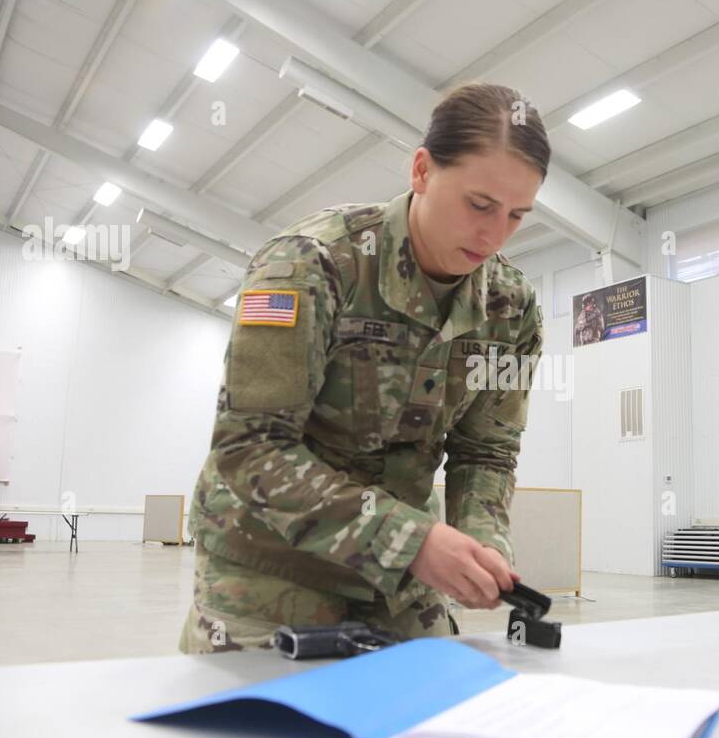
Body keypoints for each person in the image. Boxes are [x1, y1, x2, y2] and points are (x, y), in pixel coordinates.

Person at [179, 83, 549, 653]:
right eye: (479, 205)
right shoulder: (310, 264)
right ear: (422, 170)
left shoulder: (512, 307)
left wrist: (483, 540)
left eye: (517, 215)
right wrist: (413, 540)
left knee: (437, 717)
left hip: (402, 577)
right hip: (271, 565)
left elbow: (487, 452)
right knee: (271, 734)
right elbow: (250, 450)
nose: (494, 234)